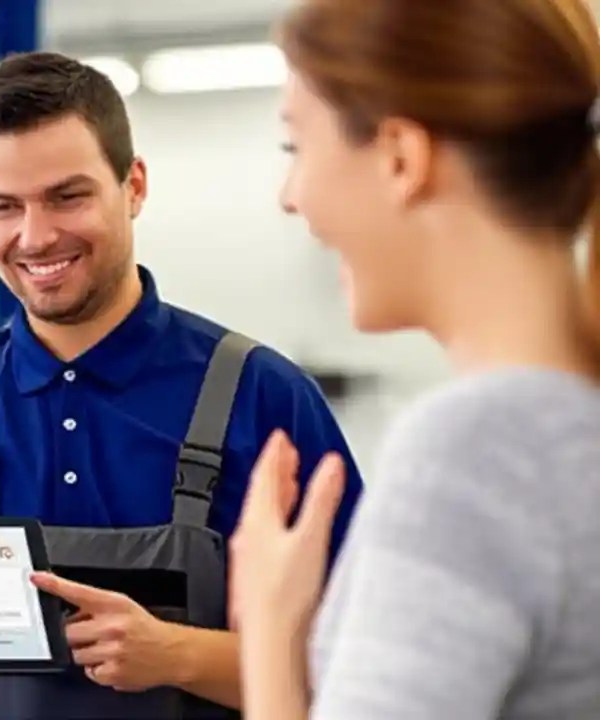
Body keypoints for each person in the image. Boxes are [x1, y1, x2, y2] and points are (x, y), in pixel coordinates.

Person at [0, 51, 365, 720]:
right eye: (3, 207)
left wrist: (177, 654)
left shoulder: (261, 399)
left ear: (133, 186)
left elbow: (358, 671)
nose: (34, 237)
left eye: (67, 197)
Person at [227, 0, 600, 718]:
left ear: (401, 156)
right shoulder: (568, 425)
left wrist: (271, 631)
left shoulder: (477, 451)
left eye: (295, 148)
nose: (290, 197)